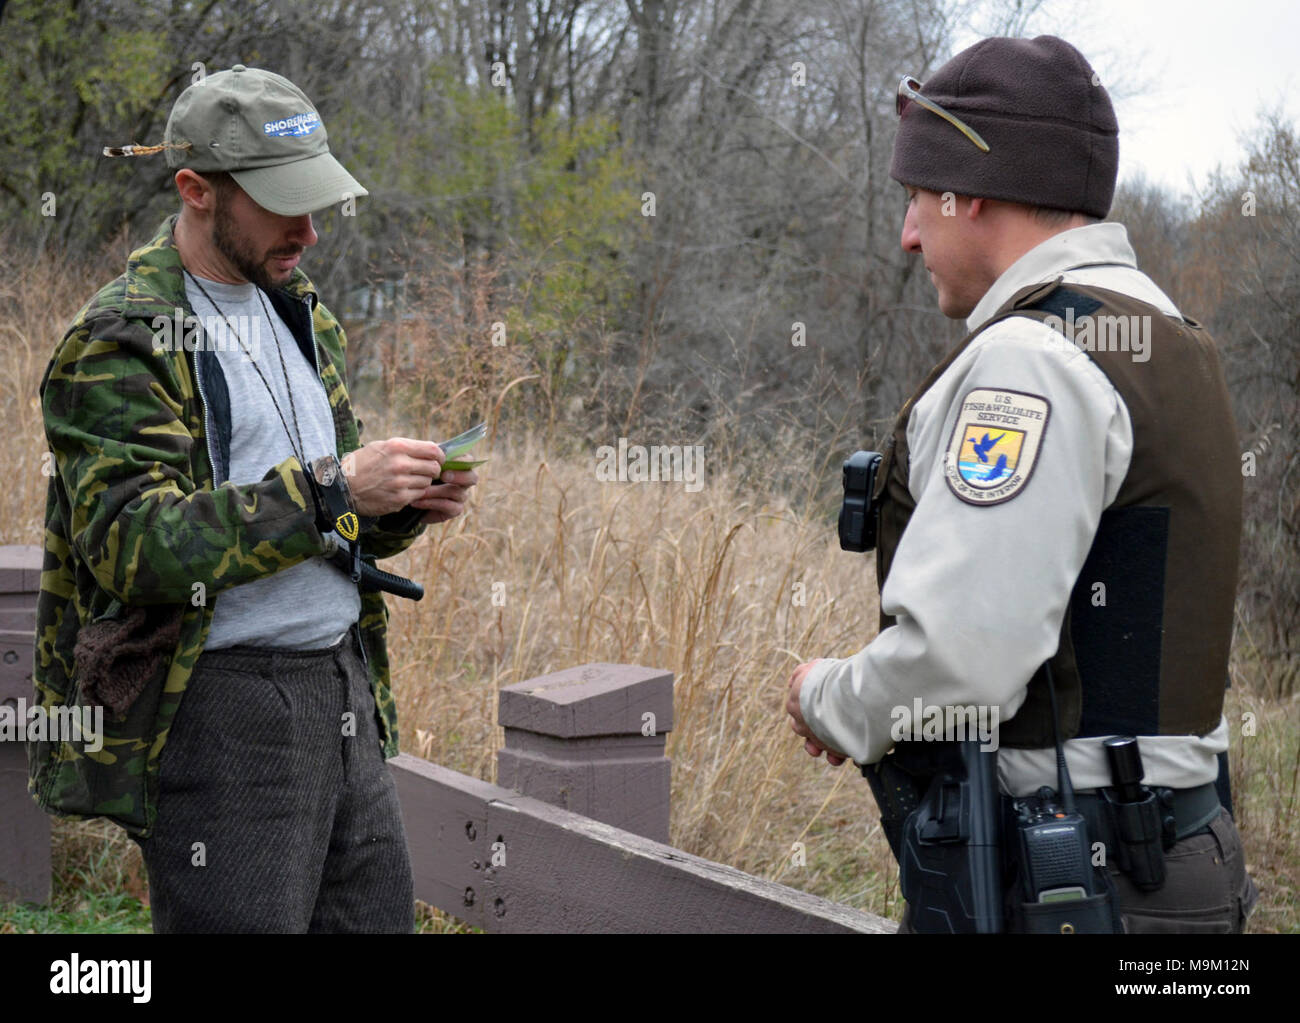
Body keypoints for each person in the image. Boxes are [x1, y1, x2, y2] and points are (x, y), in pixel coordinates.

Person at [783, 35, 1258, 933]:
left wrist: (829, 697)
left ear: (978, 197)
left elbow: (958, 665)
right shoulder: (1168, 335)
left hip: (1078, 882)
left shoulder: (1030, 364)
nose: (909, 232)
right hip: (1178, 864)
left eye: (922, 199)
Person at [30, 65, 478, 932]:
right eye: (284, 205)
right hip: (222, 709)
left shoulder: (298, 310)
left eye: (317, 202)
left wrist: (392, 506)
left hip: (344, 687)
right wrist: (331, 488)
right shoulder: (121, 337)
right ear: (195, 190)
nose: (310, 231)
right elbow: (133, 543)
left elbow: (327, 519)